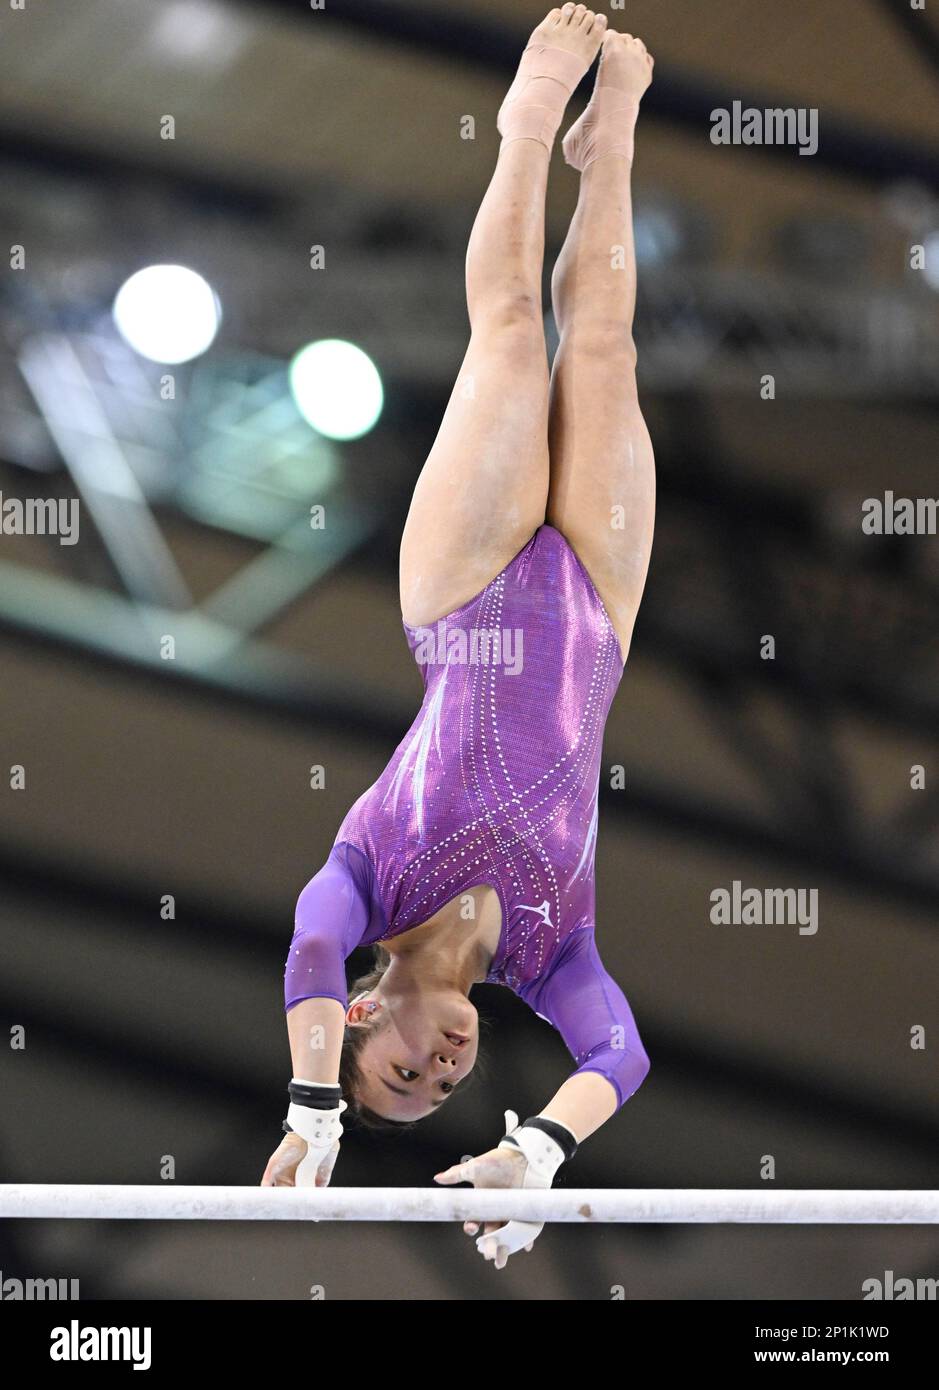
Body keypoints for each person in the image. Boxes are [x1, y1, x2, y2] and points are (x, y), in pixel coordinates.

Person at [262, 5, 656, 1269]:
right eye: (437, 1098)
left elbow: (311, 944)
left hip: (467, 595)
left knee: (508, 337)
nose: (433, 1076)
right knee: (600, 342)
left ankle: (530, 122)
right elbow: (619, 1054)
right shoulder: (554, 952)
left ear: (363, 1013)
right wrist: (540, 1147)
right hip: (596, 608)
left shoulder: (367, 881)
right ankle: (616, 140)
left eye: (397, 1071)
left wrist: (315, 1101)